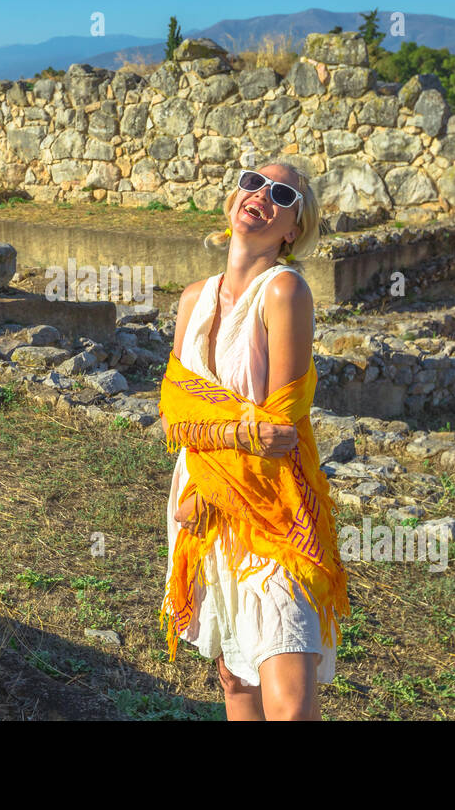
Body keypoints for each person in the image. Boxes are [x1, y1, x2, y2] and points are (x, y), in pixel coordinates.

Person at [159, 161, 347, 721]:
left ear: (292, 228)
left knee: (288, 698)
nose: (260, 195)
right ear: (232, 200)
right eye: (251, 182)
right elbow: (174, 413)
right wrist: (233, 434)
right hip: (198, 502)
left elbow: (280, 428)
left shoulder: (284, 290)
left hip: (270, 509)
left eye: (281, 194)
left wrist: (215, 439)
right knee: (235, 677)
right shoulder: (194, 299)